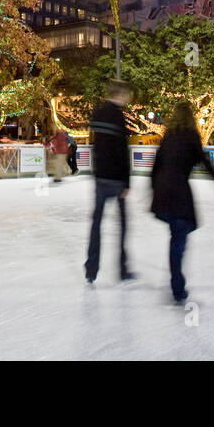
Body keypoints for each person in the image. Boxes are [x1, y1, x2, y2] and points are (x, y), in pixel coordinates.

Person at [150, 101, 214, 305]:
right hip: (178, 194)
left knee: (176, 238)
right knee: (178, 240)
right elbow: (205, 161)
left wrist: (152, 191)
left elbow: (156, 165)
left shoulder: (168, 137)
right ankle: (177, 285)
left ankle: (176, 282)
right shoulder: (191, 137)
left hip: (163, 193)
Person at [85, 80, 135, 285]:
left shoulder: (97, 112)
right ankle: (122, 268)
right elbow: (122, 152)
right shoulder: (118, 117)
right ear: (121, 95)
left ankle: (91, 268)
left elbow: (95, 144)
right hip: (116, 178)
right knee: (122, 224)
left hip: (100, 177)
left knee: (96, 223)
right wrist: (126, 183)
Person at [45, 117, 70, 182]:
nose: (52, 128)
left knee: (59, 164)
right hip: (61, 151)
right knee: (58, 163)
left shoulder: (60, 133)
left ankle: (58, 178)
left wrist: (52, 147)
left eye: (53, 127)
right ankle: (62, 173)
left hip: (61, 151)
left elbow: (59, 142)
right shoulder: (58, 134)